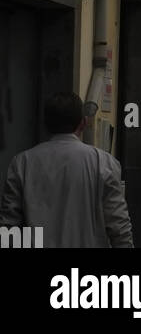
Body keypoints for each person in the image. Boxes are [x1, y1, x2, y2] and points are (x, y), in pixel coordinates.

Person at [0, 91, 133, 248]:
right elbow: (119, 225)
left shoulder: (22, 163)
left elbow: (9, 227)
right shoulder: (103, 163)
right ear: (83, 123)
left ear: (46, 124)